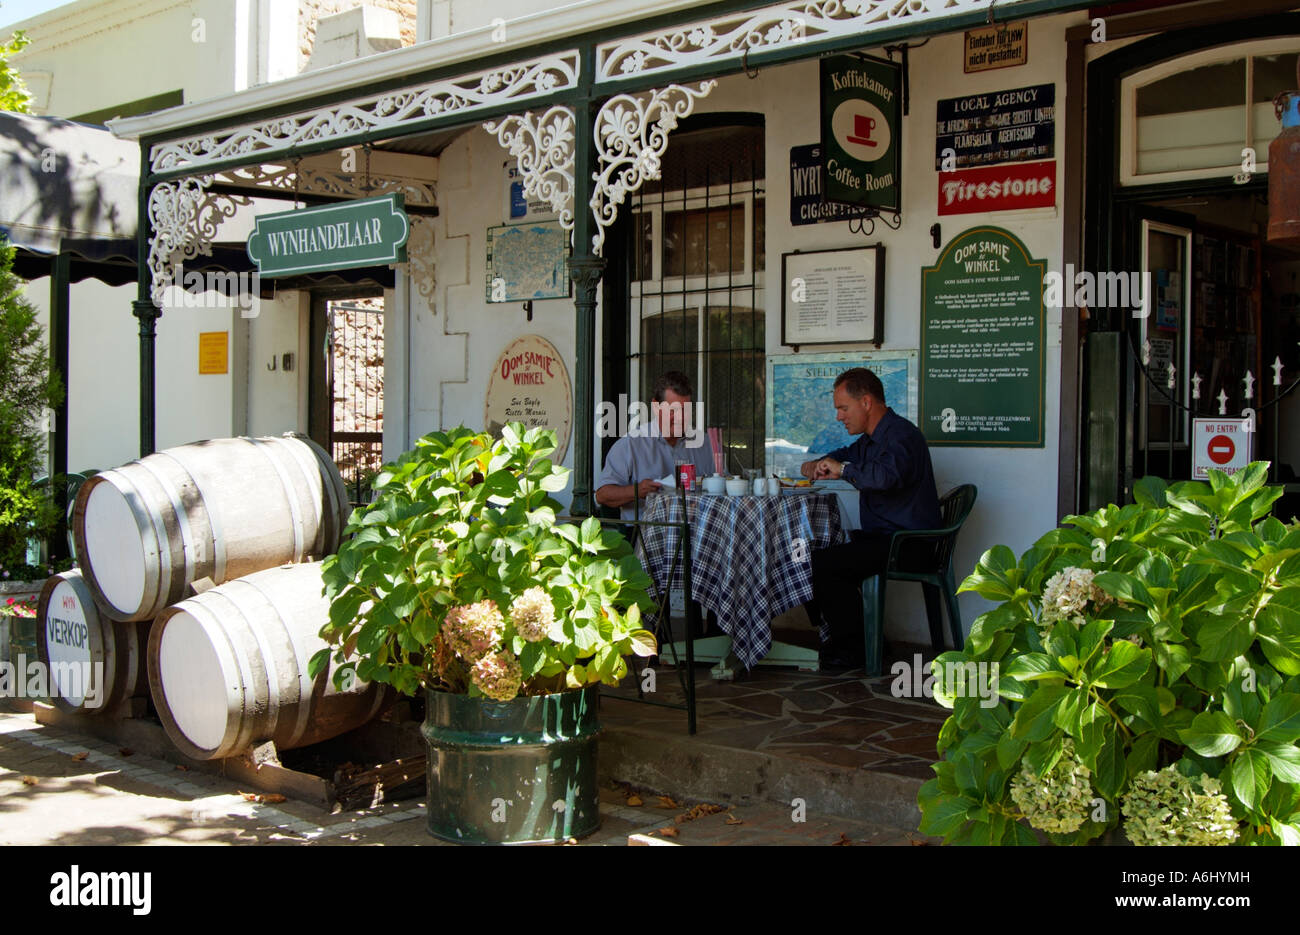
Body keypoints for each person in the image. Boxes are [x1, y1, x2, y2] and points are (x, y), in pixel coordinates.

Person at [800, 367, 942, 668]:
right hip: (885, 539)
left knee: (821, 564)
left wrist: (843, 470)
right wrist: (816, 464)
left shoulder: (902, 436)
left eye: (843, 408)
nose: (839, 416)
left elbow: (886, 477)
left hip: (910, 543)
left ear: (866, 402)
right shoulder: (868, 441)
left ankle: (854, 647)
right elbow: (838, 456)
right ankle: (860, 639)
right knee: (806, 553)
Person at [595, 370, 716, 521]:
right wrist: (637, 491)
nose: (679, 418)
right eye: (673, 410)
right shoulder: (631, 444)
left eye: (685, 410)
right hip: (645, 536)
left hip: (699, 533)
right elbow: (602, 495)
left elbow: (725, 486)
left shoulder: (704, 443)